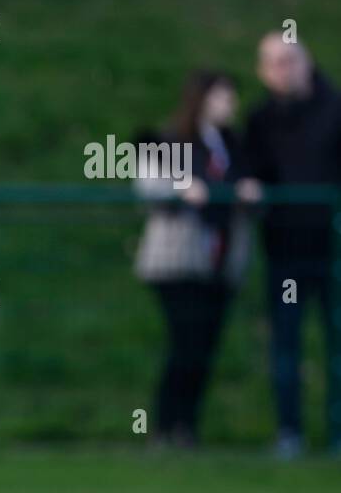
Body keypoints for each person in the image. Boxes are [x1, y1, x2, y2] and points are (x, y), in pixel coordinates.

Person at [134, 72, 261, 447]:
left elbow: (253, 183)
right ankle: (165, 427)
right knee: (184, 343)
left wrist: (250, 191)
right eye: (223, 96)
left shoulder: (235, 145)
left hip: (219, 263)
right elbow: (149, 185)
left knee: (204, 347)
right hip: (176, 261)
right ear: (202, 99)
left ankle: (187, 428)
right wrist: (181, 187)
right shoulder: (172, 140)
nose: (230, 103)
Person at [245, 35, 341, 457]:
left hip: (335, 250)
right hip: (284, 251)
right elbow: (249, 170)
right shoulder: (262, 119)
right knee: (286, 345)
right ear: (263, 71)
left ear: (307, 62)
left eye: (290, 60)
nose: (284, 70)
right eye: (274, 64)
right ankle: (289, 433)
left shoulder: (335, 110)